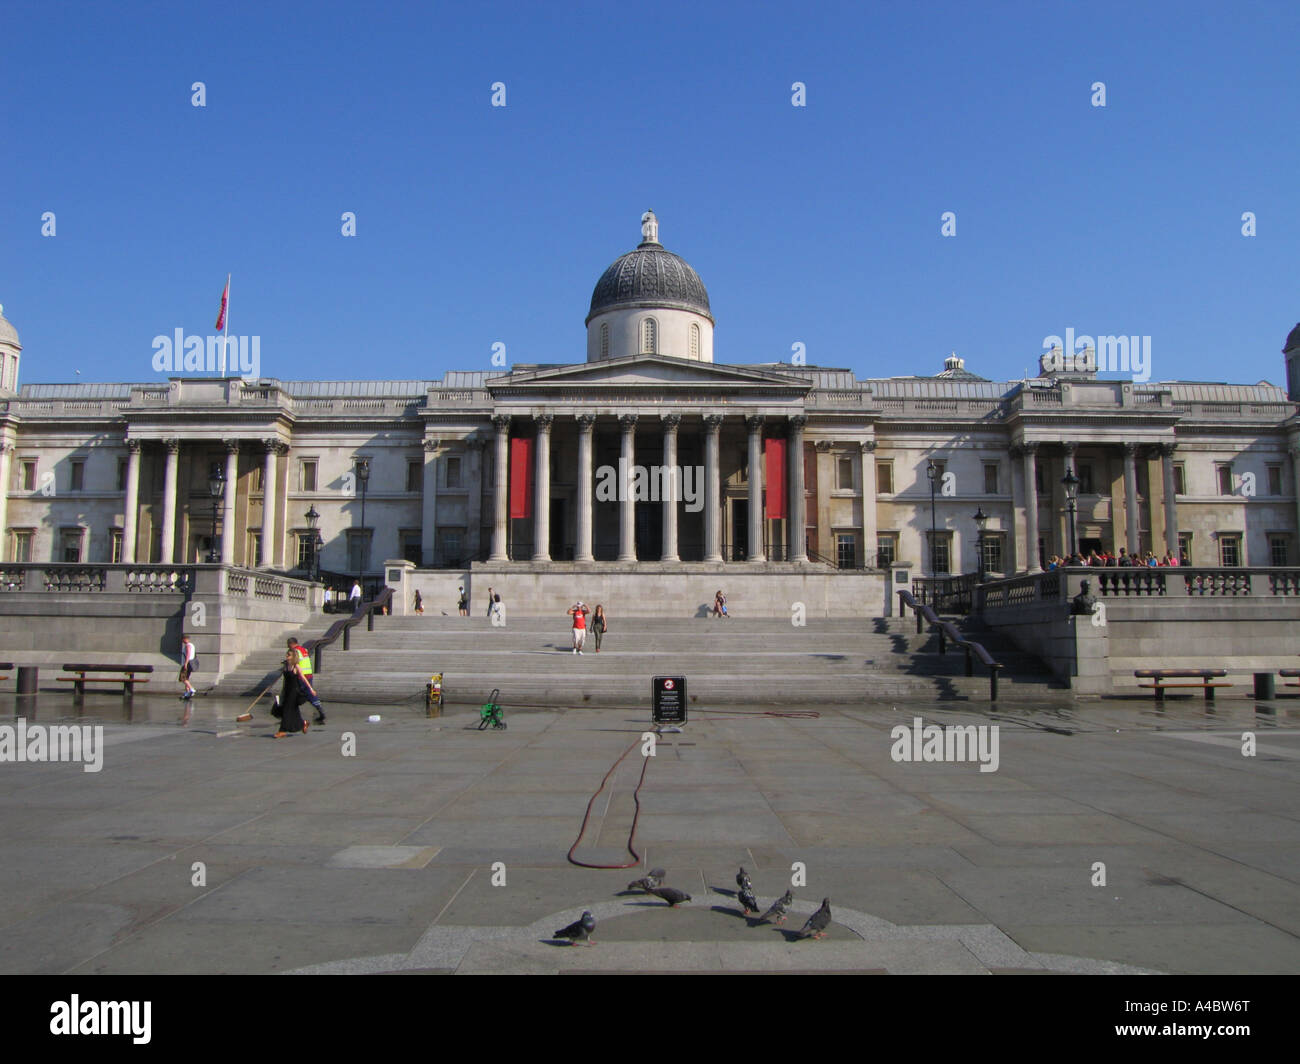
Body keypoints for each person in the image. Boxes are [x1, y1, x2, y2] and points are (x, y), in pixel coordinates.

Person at [274, 647, 310, 738]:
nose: (287, 656)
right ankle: (303, 723)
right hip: (286, 690)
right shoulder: (286, 666)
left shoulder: (296, 666)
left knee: (287, 710)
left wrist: (310, 689)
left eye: (289, 655)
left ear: (293, 656)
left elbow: (303, 677)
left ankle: (282, 731)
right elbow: (283, 679)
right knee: (292, 711)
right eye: (287, 654)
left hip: (294, 691)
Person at [178, 634, 197, 722]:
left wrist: (185, 663)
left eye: (182, 639)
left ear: (185, 639)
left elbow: (188, 654)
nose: (182, 640)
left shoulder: (188, 646)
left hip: (187, 663)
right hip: (191, 663)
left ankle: (191, 689)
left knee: (183, 678)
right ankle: (187, 693)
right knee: (187, 678)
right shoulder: (192, 645)